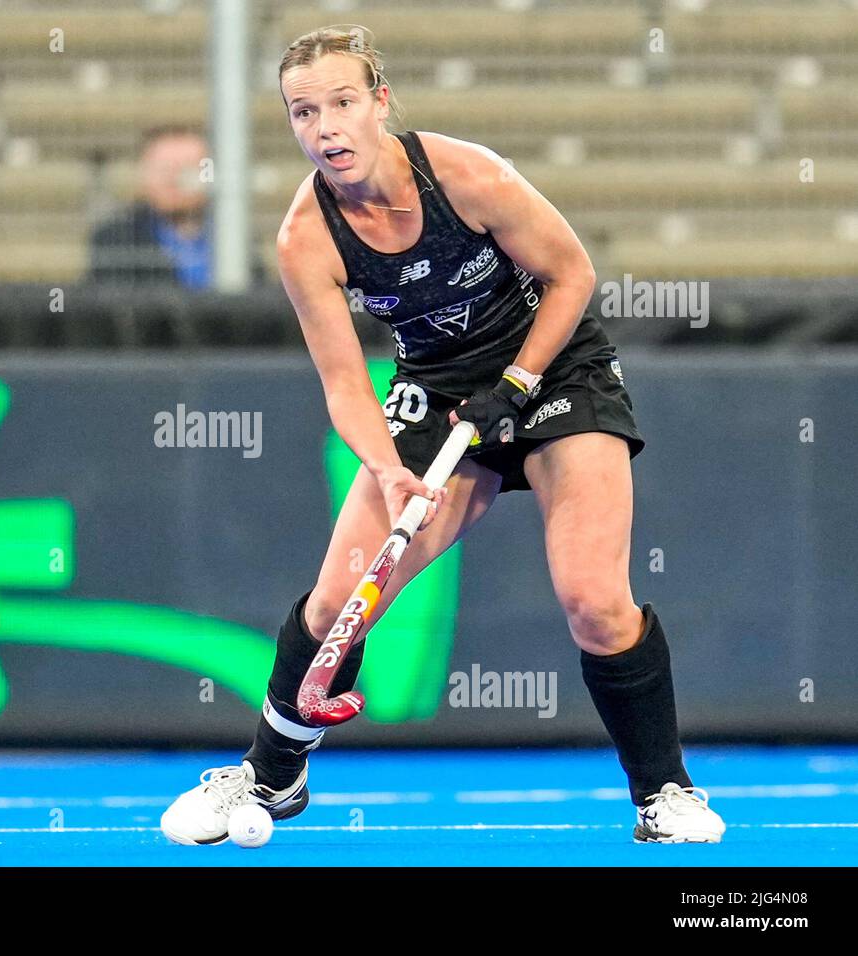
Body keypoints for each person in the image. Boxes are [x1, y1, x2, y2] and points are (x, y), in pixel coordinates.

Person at [161, 25, 725, 846]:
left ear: (380, 103)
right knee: (338, 604)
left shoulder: (466, 175)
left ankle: (664, 793)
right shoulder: (305, 239)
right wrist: (389, 471)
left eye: (344, 103)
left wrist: (519, 384)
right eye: (303, 112)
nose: (326, 128)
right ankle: (272, 778)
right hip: (435, 390)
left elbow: (573, 275)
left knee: (593, 602)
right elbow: (347, 384)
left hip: (558, 369)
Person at [86, 126, 216, 289]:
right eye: (164, 169)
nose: (174, 179)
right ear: (144, 172)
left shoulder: (232, 237)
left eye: (187, 169)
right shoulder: (116, 239)